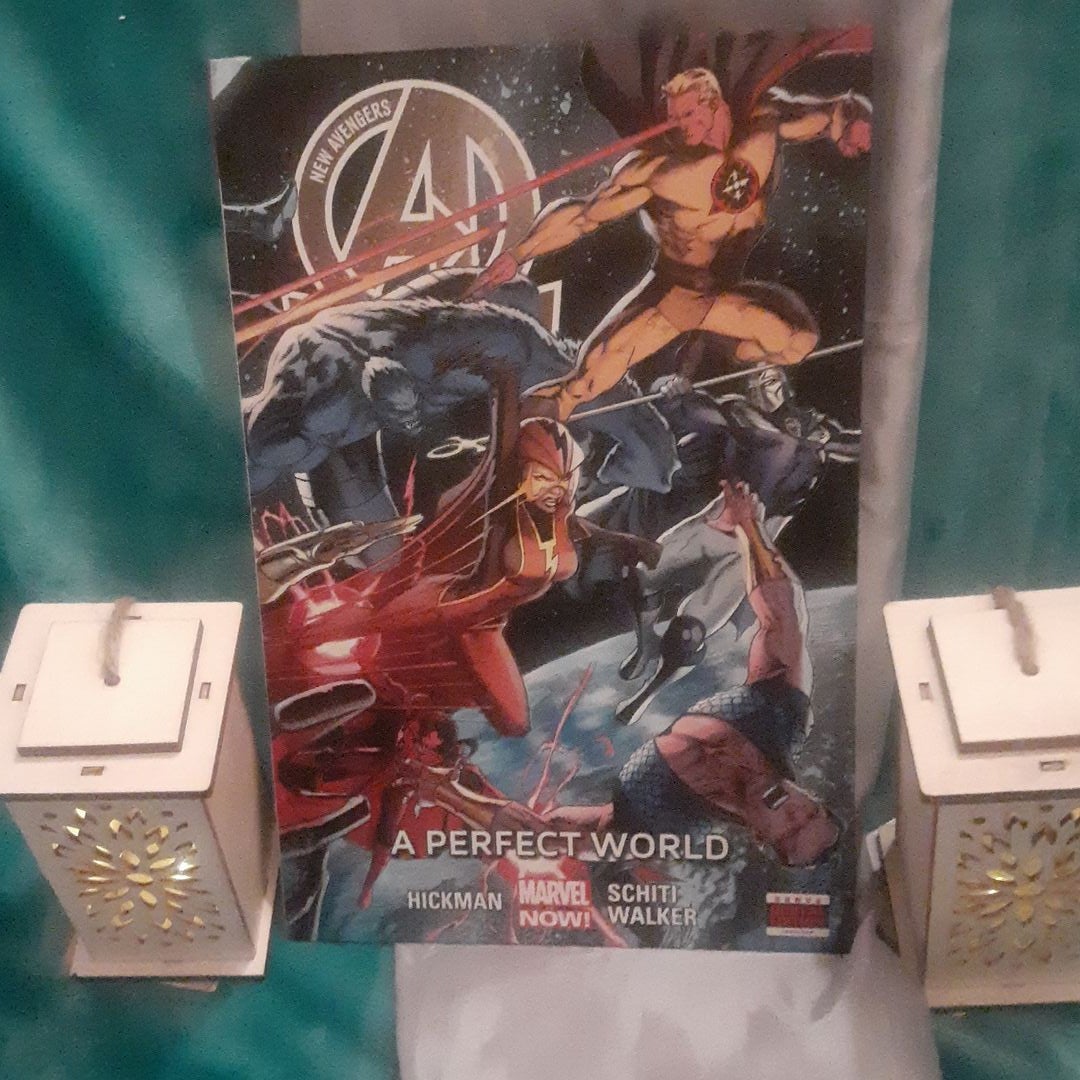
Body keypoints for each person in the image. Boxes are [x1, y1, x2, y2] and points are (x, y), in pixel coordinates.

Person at [413, 481, 839, 868]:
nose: (796, 813)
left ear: (763, 840)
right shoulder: (781, 719)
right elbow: (784, 617)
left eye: (792, 830)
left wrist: (445, 793)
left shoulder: (667, 822)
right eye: (811, 813)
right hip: (607, 579)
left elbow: (548, 838)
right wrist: (750, 528)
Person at [472, 67, 870, 421]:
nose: (680, 125)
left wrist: (853, 126)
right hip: (679, 293)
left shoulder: (764, 127)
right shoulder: (659, 172)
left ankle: (738, 355)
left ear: (714, 103)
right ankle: (514, 436)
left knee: (799, 342)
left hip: (727, 291)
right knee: (582, 385)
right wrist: (518, 255)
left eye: (688, 114)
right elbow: (583, 216)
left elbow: (834, 113)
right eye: (674, 118)